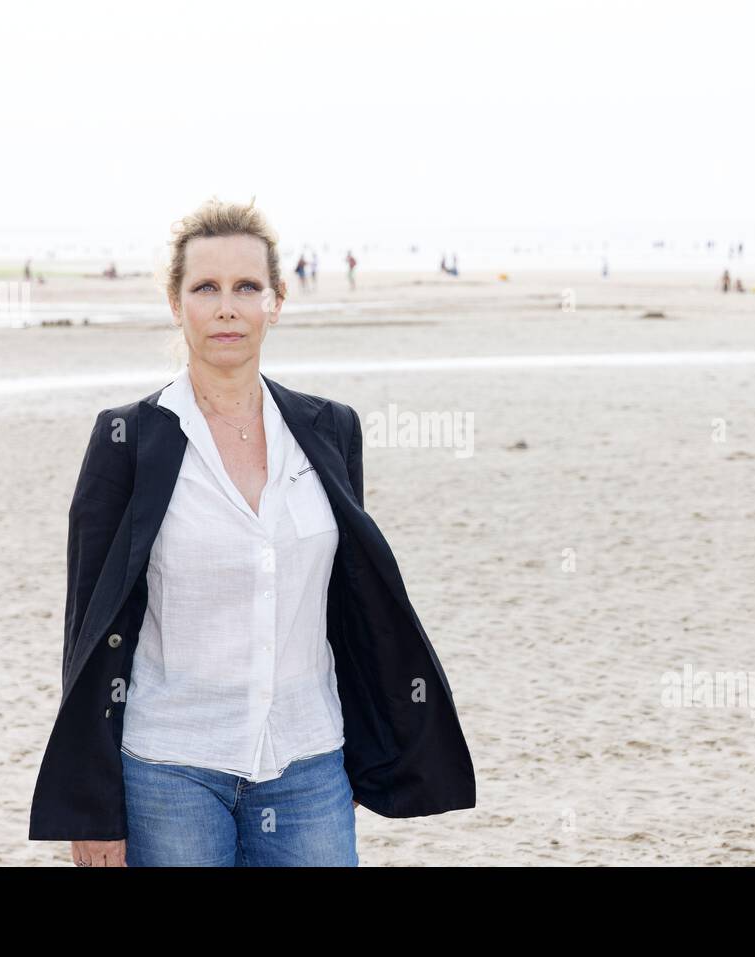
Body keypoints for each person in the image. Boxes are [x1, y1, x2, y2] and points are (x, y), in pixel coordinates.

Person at [28, 198, 475, 866]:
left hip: (310, 764)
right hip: (168, 767)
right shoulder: (126, 439)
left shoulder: (330, 429)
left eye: (247, 287)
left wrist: (369, 744)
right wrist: (92, 806)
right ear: (177, 304)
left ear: (277, 300)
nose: (227, 306)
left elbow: (347, 604)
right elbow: (89, 633)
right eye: (205, 288)